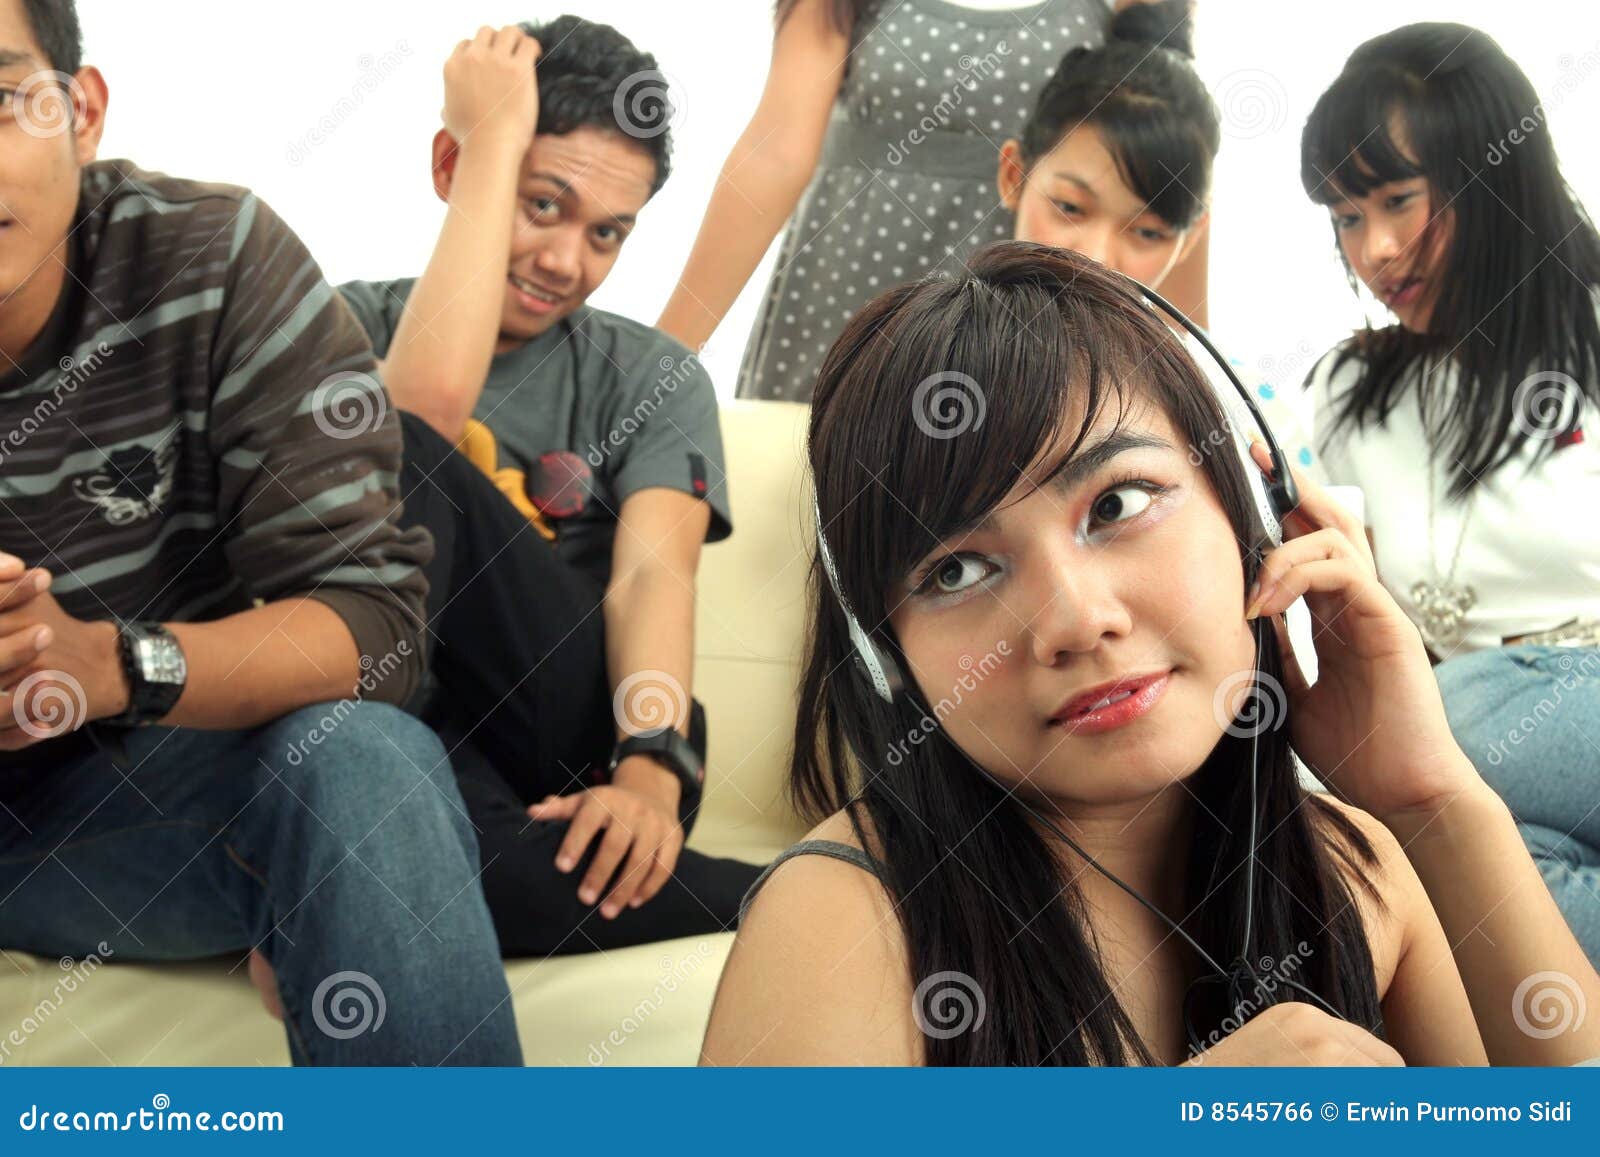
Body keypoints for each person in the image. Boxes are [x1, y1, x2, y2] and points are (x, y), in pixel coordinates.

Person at [701, 242, 1600, 1066]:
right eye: (959, 568)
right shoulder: (841, 923)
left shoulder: (1359, 870)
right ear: (886, 651)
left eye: (1118, 505)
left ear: (1256, 512)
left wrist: (1433, 799)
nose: (1075, 621)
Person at [0, 0, 520, 1064]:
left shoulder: (208, 258)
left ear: (80, 109)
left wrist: (103, 662)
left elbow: (374, 626)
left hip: (133, 790)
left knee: (366, 764)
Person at [337, 17, 764, 956]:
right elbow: (413, 420)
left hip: (580, 721)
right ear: (457, 167)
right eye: (542, 206)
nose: (568, 261)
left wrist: (653, 760)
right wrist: (496, 141)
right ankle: (782, 899)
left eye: (606, 232)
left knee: (398, 452)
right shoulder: (340, 326)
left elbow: (653, 576)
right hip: (398, 725)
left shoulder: (646, 373)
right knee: (387, 860)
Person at [1300, 22, 1600, 964]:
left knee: (1432, 734)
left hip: (1522, 710)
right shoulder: (1351, 393)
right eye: (1348, 217)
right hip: (1492, 757)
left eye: (1399, 200)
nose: (1377, 249)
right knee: (1485, 872)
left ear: (1493, 177)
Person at [657, 0, 1208, 402]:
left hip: (1023, 325)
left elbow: (1169, 165)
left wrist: (1193, 393)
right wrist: (658, 363)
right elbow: (775, 152)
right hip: (841, 290)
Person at [998, 0, 1317, 476]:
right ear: (1014, 176)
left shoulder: (1242, 413)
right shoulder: (937, 380)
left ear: (1190, 240)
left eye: (1147, 232)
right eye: (1069, 207)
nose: (1095, 258)